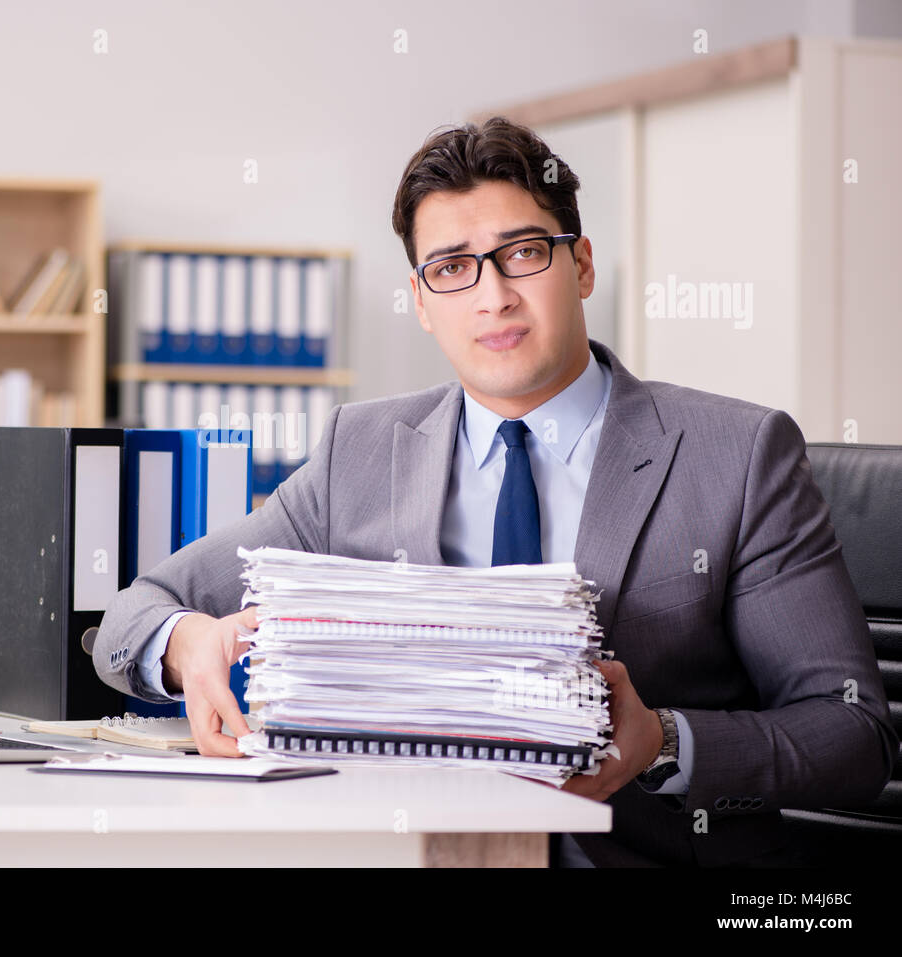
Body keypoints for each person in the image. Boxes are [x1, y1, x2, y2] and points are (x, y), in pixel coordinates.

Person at [92, 116, 897, 867]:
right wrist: (186, 644)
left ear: (580, 265)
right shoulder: (359, 453)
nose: (493, 296)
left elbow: (855, 733)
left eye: (522, 253)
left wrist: (666, 741)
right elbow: (131, 615)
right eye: (451, 268)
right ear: (420, 302)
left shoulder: (737, 455)